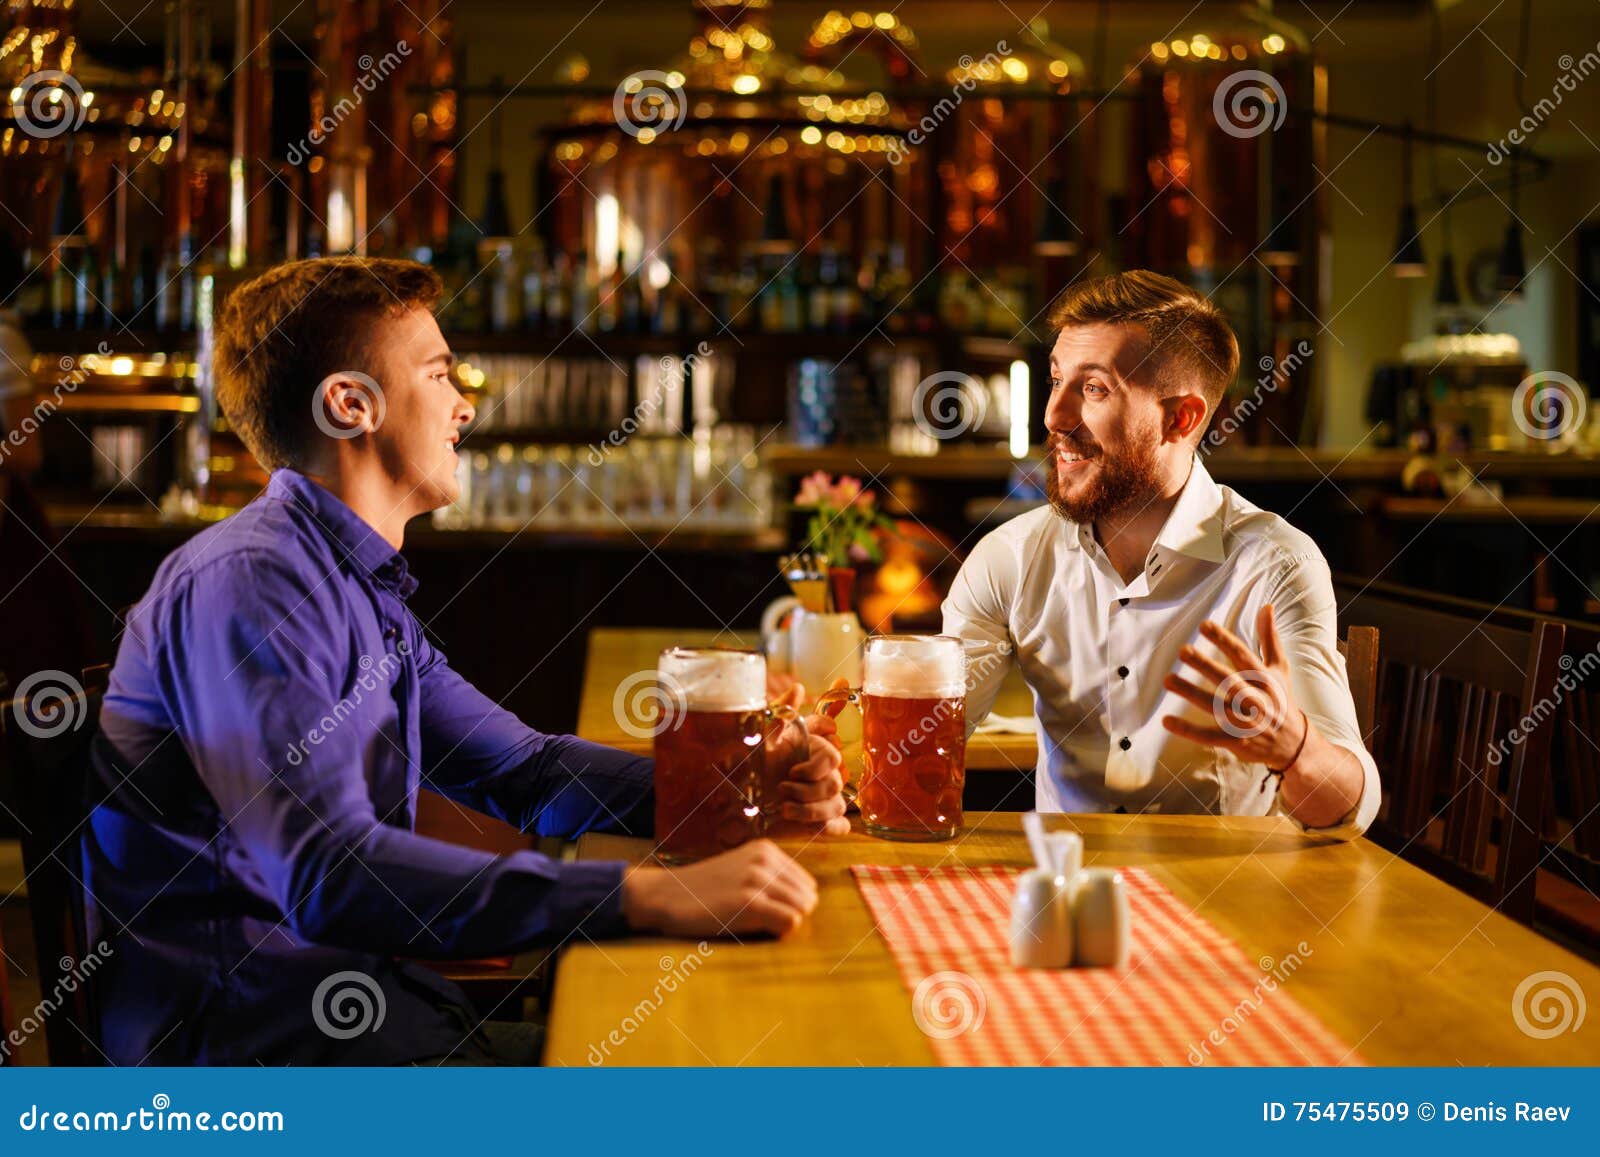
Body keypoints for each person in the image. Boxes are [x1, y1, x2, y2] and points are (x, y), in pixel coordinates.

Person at [85, 256, 848, 1066]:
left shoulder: (353, 584)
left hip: (378, 1027)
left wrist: (741, 784)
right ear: (351, 403)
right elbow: (327, 874)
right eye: (440, 374)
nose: (465, 404)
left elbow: (529, 772)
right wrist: (644, 891)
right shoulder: (254, 585)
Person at [943, 271, 1378, 838]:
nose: (1053, 416)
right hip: (1065, 898)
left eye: (1094, 389)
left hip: (1227, 902)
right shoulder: (1010, 558)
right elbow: (926, 744)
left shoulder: (1277, 566)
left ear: (1182, 418)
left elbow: (1344, 816)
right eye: (1056, 380)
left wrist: (1294, 747)